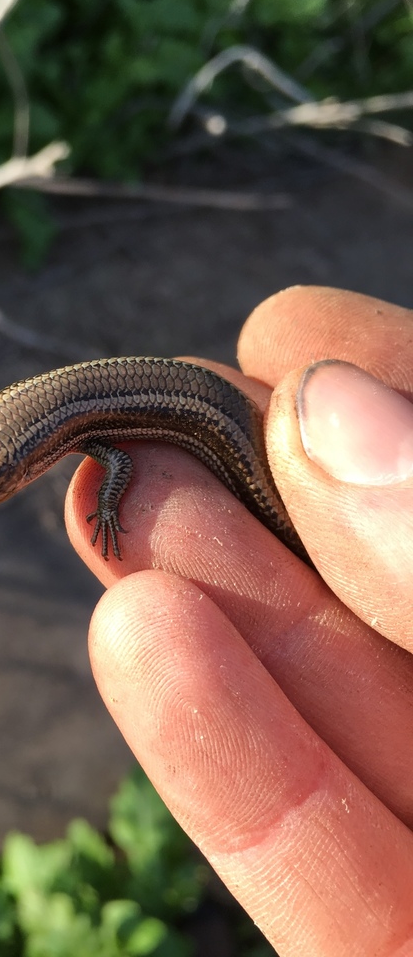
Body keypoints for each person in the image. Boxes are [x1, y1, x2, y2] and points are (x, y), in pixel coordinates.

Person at [65, 285, 413, 956]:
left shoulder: (90, 432)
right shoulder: (86, 425)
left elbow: (122, 461)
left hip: (241, 447)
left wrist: (112, 508)